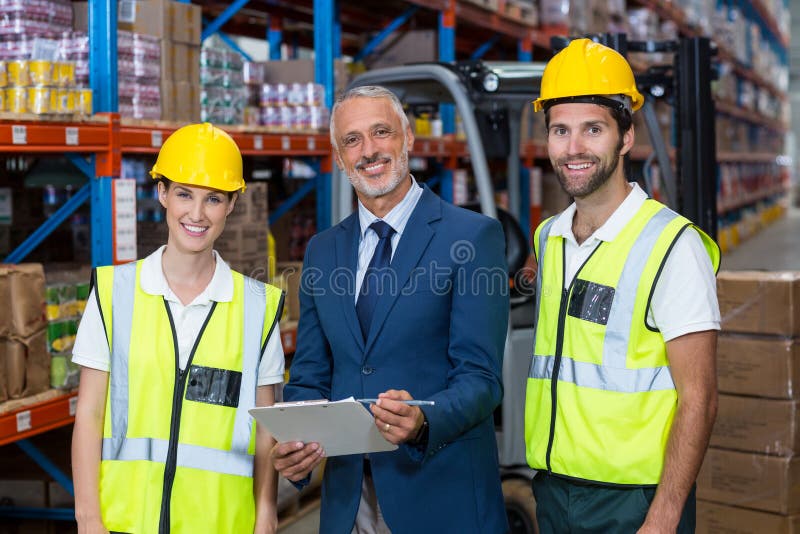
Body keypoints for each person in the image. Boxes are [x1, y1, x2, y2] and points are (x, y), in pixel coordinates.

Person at [270, 85, 509, 533]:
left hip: (440, 495)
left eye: (381, 132)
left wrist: (424, 420)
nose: (368, 151)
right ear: (339, 157)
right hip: (349, 501)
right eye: (352, 140)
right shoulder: (323, 250)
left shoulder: (470, 237)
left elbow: (482, 378)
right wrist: (297, 443)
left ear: (408, 137)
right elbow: (310, 374)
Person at [523, 38, 721, 533]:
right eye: (560, 130)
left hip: (635, 502)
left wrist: (664, 516)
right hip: (554, 490)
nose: (574, 148)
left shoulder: (673, 246)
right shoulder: (549, 238)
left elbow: (699, 398)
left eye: (593, 129)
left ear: (626, 137)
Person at [71, 123, 285, 534]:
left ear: (232, 204)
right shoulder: (114, 294)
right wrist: (88, 518)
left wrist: (265, 515)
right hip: (124, 523)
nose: (197, 214)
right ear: (162, 193)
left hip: (223, 525)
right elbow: (90, 414)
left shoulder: (259, 307)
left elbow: (265, 431)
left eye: (214, 199)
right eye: (184, 194)